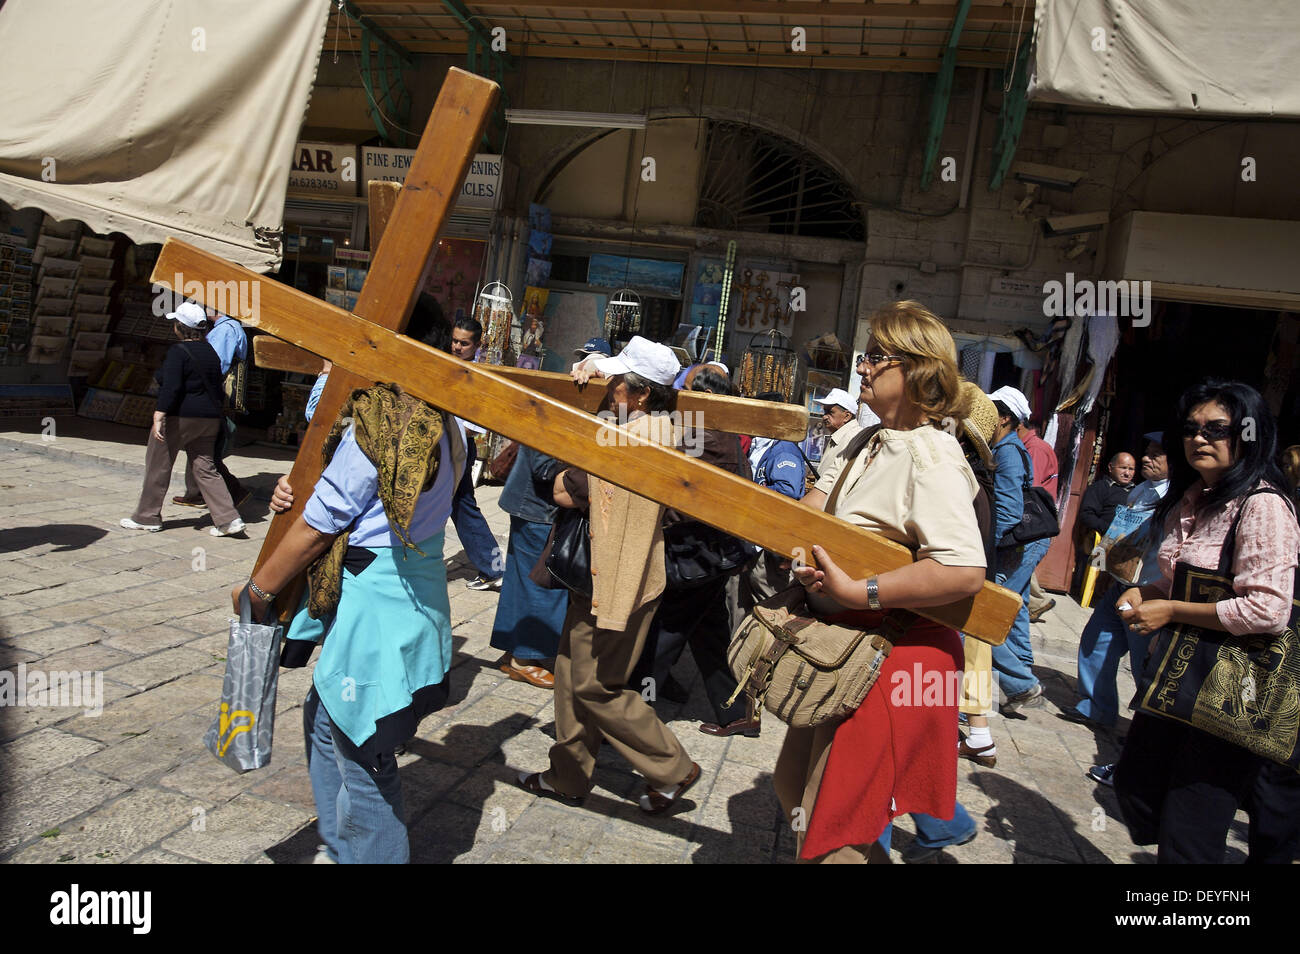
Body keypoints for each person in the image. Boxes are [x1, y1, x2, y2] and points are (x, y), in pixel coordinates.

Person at [243, 294, 465, 864]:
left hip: (379, 608)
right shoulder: (447, 418)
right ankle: (345, 850)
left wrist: (260, 590)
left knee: (363, 753)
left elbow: (323, 524)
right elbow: (336, 502)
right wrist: (296, 493)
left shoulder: (386, 420)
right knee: (324, 721)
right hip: (409, 596)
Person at [777, 301, 987, 863]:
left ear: (917, 371)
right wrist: (804, 557)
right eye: (864, 355)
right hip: (842, 646)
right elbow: (812, 518)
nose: (861, 368)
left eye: (875, 357)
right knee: (794, 787)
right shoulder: (859, 441)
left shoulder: (933, 454)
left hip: (899, 655)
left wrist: (857, 591)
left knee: (834, 824)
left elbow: (963, 570)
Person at [1113, 380, 1300, 864]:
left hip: (1231, 692)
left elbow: (1268, 609)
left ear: (1249, 435)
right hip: (1178, 680)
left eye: (1217, 429)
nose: (1200, 438)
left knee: (1190, 827)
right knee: (1136, 786)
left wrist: (1172, 610)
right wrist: (1149, 591)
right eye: (1192, 428)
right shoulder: (1194, 497)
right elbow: (1181, 581)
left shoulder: (1263, 505)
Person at [516, 336, 700, 814]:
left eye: (617, 382)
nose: (609, 387)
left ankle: (672, 766)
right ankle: (567, 777)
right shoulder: (656, 424)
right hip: (603, 573)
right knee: (569, 673)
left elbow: (561, 489)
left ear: (639, 394)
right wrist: (595, 367)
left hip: (622, 578)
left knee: (595, 685)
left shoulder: (635, 439)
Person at [632, 365, 758, 737]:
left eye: (684, 390)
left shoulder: (706, 434)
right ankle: (736, 710)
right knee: (710, 632)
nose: (677, 395)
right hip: (709, 551)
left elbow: (686, 494)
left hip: (697, 551)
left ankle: (632, 711)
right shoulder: (716, 431)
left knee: (666, 628)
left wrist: (659, 516)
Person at [905, 380, 1002, 863]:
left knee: (891, 748)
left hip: (921, 634)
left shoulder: (949, 479)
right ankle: (947, 823)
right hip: (932, 636)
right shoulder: (966, 479)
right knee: (910, 745)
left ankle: (873, 842)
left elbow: (953, 570)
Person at [1063, 432, 1170, 732]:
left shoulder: (1174, 498)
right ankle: (1095, 708)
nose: (1146, 458)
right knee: (1096, 639)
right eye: (1146, 451)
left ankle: (1145, 731)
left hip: (1148, 592)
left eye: (1156, 453)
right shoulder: (1138, 493)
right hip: (1120, 585)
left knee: (1142, 661)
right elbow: (1115, 536)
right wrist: (1101, 572)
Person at [120, 302, 244, 537]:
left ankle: (147, 516)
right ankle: (228, 519)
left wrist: (159, 413)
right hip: (208, 418)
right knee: (206, 468)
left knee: (158, 465)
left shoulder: (178, 352)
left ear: (180, 327)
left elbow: (172, 387)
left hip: (181, 416)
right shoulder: (210, 352)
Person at [987, 385, 1051, 713]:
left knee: (985, 615)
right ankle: (1022, 675)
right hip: (1023, 542)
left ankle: (1020, 684)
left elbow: (1009, 511)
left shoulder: (1008, 451)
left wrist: (986, 550)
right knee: (1016, 608)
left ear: (1004, 419)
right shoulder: (1004, 446)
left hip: (1018, 543)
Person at [489, 443, 568, 688]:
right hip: (538, 510)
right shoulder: (556, 413)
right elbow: (544, 468)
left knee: (522, 581)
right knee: (541, 584)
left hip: (534, 508)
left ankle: (515, 650)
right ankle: (525, 658)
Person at [448, 314, 505, 591]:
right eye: (455, 341)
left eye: (464, 344)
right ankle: (492, 565)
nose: (457, 347)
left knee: (463, 506)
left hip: (457, 448)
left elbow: (475, 427)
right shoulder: (445, 365)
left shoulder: (478, 378)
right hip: (443, 445)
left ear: (477, 346)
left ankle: (492, 565)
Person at [172, 307, 250, 509]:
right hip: (214, 397)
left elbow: (217, 365)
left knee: (207, 452)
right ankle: (196, 493)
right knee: (202, 449)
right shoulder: (226, 328)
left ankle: (233, 492)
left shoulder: (226, 330)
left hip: (216, 397)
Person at [1020, 418, 1059, 621]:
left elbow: (1028, 490)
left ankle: (1037, 602)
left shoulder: (1035, 448)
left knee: (1013, 595)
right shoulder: (1031, 446)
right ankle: (1037, 603)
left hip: (1033, 524)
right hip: (1032, 523)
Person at [814, 387, 862, 454]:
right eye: (825, 412)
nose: (824, 417)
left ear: (847, 416)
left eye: (830, 412)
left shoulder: (854, 440)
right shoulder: (837, 437)